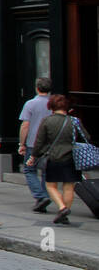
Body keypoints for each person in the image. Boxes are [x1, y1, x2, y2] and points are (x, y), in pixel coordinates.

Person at [27, 94, 85, 225]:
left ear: (51, 106)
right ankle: (65, 214)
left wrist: (33, 156)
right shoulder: (74, 121)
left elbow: (39, 142)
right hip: (71, 158)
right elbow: (85, 136)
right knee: (69, 187)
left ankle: (62, 208)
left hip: (53, 158)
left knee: (50, 185)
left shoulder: (47, 121)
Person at [18, 78, 54, 213]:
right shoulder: (53, 104)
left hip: (33, 143)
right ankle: (44, 196)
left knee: (29, 169)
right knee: (46, 171)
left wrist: (22, 143)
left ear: (37, 88)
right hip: (49, 144)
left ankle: (41, 196)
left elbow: (25, 125)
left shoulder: (30, 104)